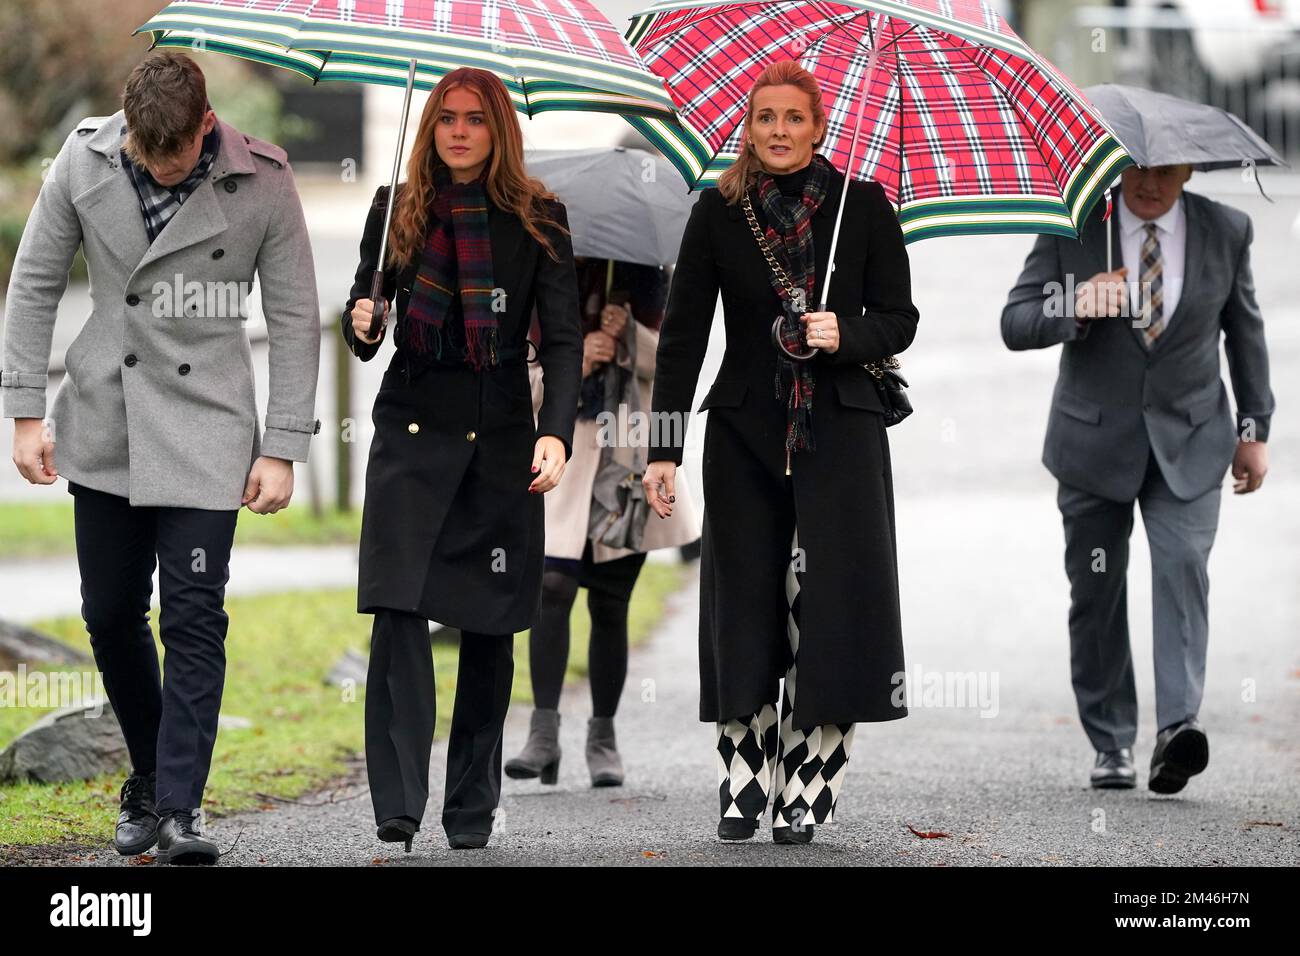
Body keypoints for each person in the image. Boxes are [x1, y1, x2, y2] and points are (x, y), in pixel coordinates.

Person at [2, 51, 321, 864]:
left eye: (172, 152)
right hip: (106, 417)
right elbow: (35, 283)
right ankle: (147, 776)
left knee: (192, 615)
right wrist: (24, 412)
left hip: (210, 424)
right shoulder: (82, 157)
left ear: (207, 126)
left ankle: (180, 807)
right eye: (144, 150)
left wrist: (282, 446)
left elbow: (291, 317)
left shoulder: (265, 181)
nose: (155, 164)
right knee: (109, 615)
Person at [643, 60, 919, 844]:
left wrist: (846, 332)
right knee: (744, 599)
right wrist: (663, 447)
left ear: (819, 126)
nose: (778, 131)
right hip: (744, 430)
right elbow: (683, 339)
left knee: (830, 604)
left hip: (842, 429)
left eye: (794, 118)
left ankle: (810, 783)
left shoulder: (861, 209)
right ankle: (742, 775)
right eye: (765, 117)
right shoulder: (718, 213)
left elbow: (900, 319)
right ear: (748, 125)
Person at [341, 67, 582, 851]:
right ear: (430, 126)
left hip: (501, 436)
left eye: (474, 119)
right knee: (399, 608)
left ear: (498, 130)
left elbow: (567, 340)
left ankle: (471, 809)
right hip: (412, 431)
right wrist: (367, 319)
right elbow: (364, 332)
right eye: (446, 117)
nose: (457, 130)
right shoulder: (396, 207)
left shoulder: (541, 217)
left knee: (489, 621)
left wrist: (558, 432)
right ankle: (399, 804)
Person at [1000, 163, 1274, 793]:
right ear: (1120, 166)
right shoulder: (1073, 224)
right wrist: (1075, 302)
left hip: (1194, 437)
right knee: (1097, 591)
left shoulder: (1227, 229)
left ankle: (1178, 729)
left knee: (1183, 568)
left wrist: (1254, 433)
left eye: (1168, 173)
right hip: (1093, 446)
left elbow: (1246, 335)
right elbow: (1014, 321)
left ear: (1192, 169)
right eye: (1140, 171)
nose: (1151, 186)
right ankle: (1111, 741)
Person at [506, 258, 700, 788]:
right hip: (562, 452)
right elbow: (517, 377)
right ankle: (543, 735)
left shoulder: (655, 279)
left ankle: (603, 736)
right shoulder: (542, 276)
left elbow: (678, 362)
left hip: (631, 453)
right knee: (552, 584)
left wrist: (627, 337)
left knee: (611, 600)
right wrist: (577, 360)